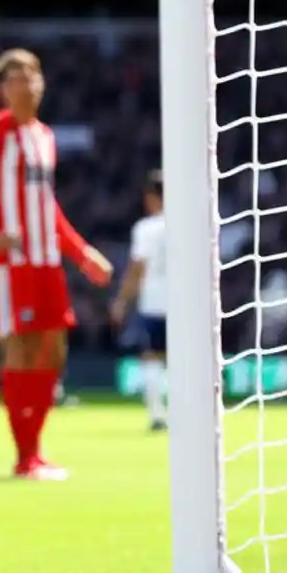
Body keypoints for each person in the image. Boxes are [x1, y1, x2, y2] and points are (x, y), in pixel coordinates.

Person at [0, 48, 111, 481]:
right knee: (21, 348)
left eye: (32, 76)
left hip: (47, 260)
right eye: (16, 79)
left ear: (42, 83)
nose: (27, 85)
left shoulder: (44, 137)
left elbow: (46, 206)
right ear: (3, 89)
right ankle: (25, 457)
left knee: (54, 348)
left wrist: (80, 252)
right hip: (12, 263)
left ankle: (35, 450)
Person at [110, 170, 167, 431]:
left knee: (152, 356)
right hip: (187, 305)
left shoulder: (146, 228)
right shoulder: (191, 224)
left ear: (153, 197)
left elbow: (137, 269)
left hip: (155, 303)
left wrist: (121, 301)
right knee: (182, 360)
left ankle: (157, 414)